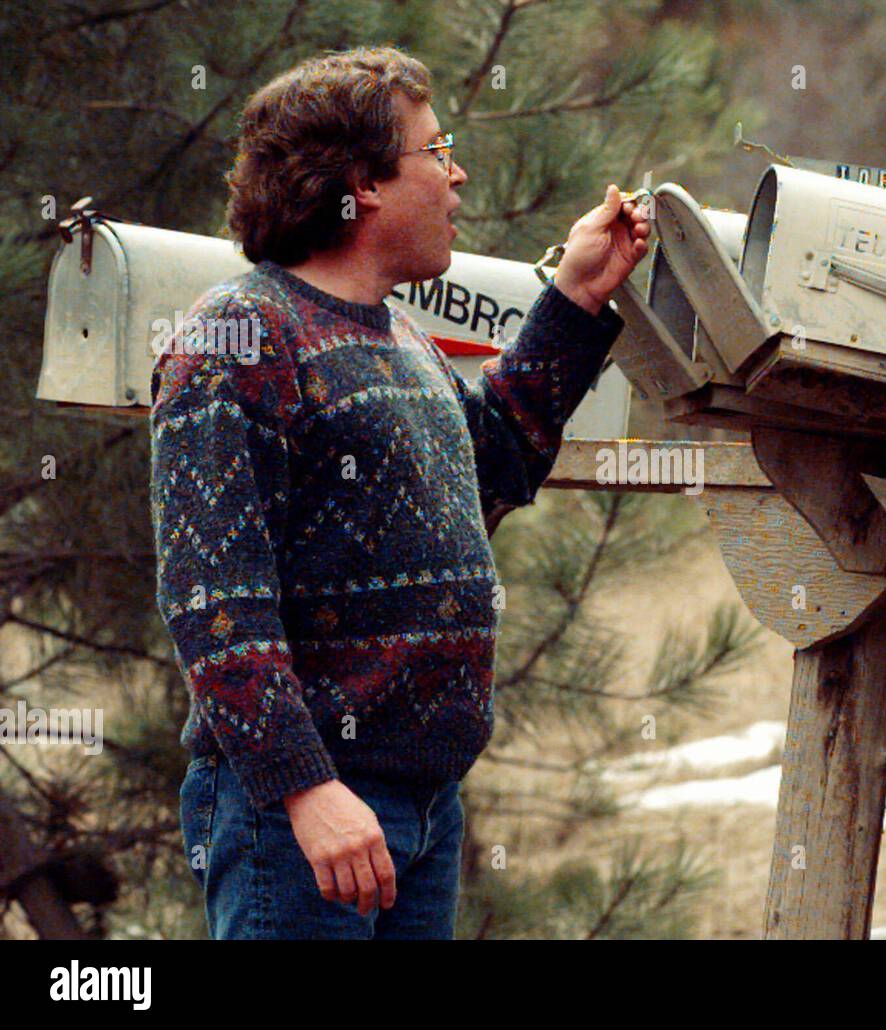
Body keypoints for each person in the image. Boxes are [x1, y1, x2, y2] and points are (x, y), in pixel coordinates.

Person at [150, 45, 651, 939]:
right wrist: (306, 790)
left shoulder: (402, 339)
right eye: (435, 148)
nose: (457, 174)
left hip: (419, 811)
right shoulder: (239, 336)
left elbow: (492, 463)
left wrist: (574, 297)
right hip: (305, 818)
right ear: (361, 184)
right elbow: (212, 598)